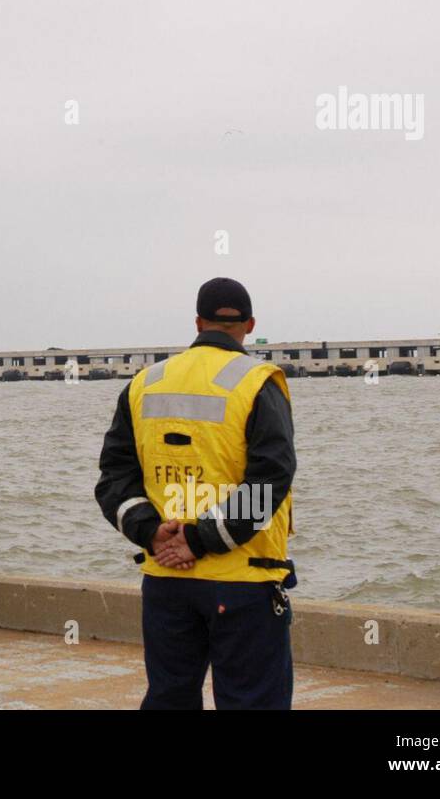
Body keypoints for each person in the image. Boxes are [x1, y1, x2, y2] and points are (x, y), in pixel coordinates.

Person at [95, 277, 297, 710]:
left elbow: (114, 475)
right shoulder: (258, 381)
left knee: (169, 698)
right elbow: (271, 478)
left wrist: (153, 533)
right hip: (242, 579)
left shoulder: (145, 382)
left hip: (166, 581)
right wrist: (199, 539)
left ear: (199, 321)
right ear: (249, 324)